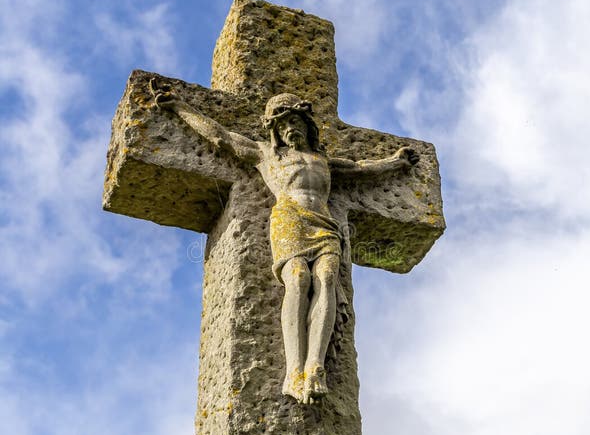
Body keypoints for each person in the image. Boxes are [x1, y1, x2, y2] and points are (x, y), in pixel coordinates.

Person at [151, 80, 418, 404]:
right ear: (275, 131)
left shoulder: (323, 161)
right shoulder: (266, 154)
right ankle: (294, 371)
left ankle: (315, 366)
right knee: (298, 278)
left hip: (324, 224)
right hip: (290, 219)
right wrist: (180, 108)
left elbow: (362, 169)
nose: (290, 129)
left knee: (327, 279)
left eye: (295, 122)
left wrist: (396, 162)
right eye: (283, 125)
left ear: (307, 125)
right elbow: (221, 137)